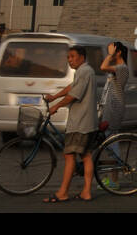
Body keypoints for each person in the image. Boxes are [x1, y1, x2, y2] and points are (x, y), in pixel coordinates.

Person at [41, 45, 97, 202]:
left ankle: (63, 192)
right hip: (85, 120)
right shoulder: (83, 71)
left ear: (82, 57)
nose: (70, 60)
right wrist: (55, 97)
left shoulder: (85, 71)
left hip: (80, 122)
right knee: (85, 155)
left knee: (69, 155)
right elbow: (72, 87)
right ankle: (86, 192)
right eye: (68, 57)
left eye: (72, 56)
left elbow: (74, 94)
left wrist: (56, 106)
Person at [99, 41, 129, 162]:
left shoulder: (122, 68)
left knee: (111, 139)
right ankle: (114, 172)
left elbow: (103, 67)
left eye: (111, 51)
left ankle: (115, 174)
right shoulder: (118, 68)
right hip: (110, 105)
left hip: (115, 106)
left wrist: (110, 55)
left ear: (119, 52)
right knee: (108, 139)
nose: (109, 54)